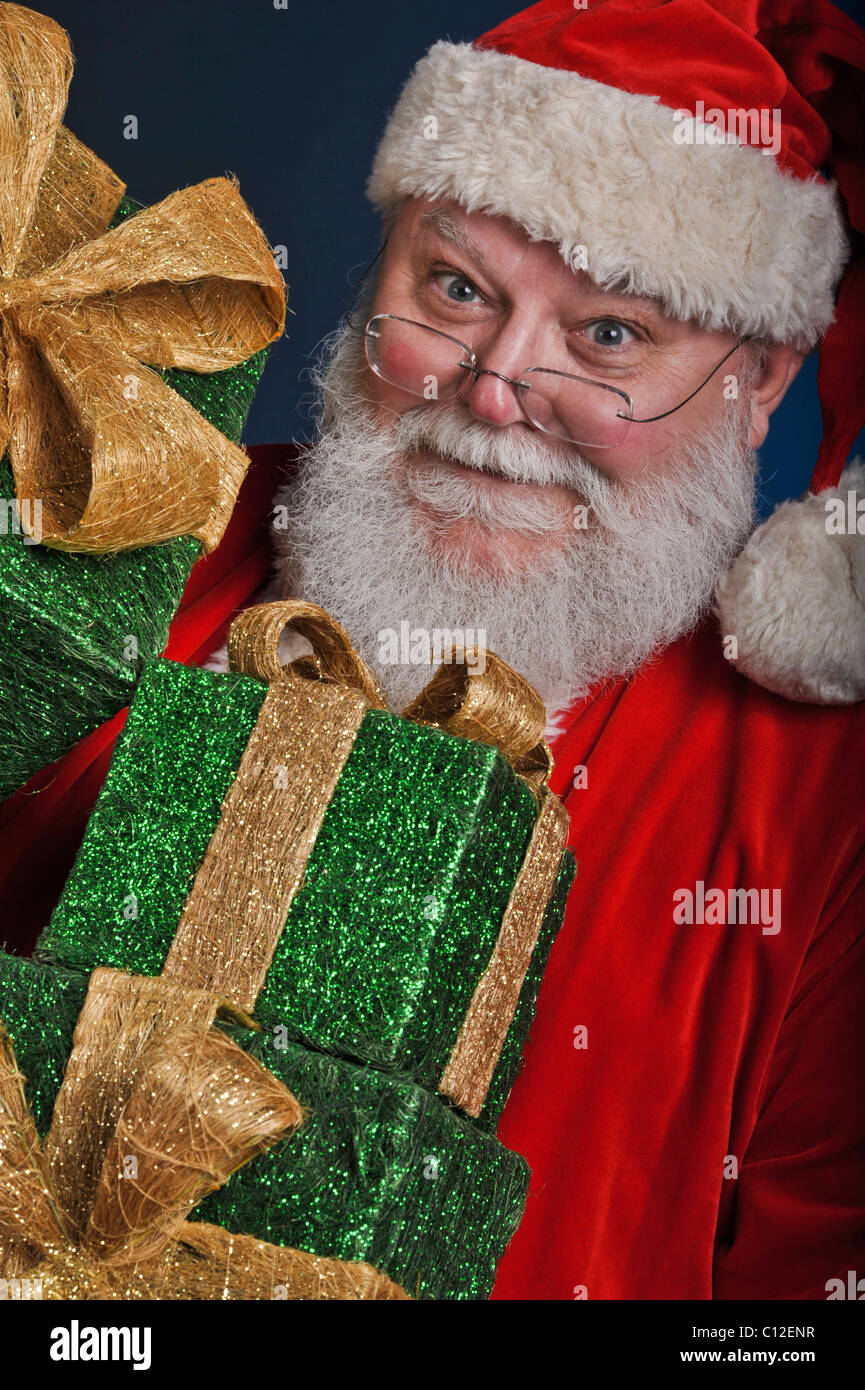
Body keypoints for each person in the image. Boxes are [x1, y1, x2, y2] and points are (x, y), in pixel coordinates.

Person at [4, 0, 864, 1299]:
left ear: (761, 384)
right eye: (456, 288)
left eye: (609, 334)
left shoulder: (823, 801)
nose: (495, 386)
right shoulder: (139, 508)